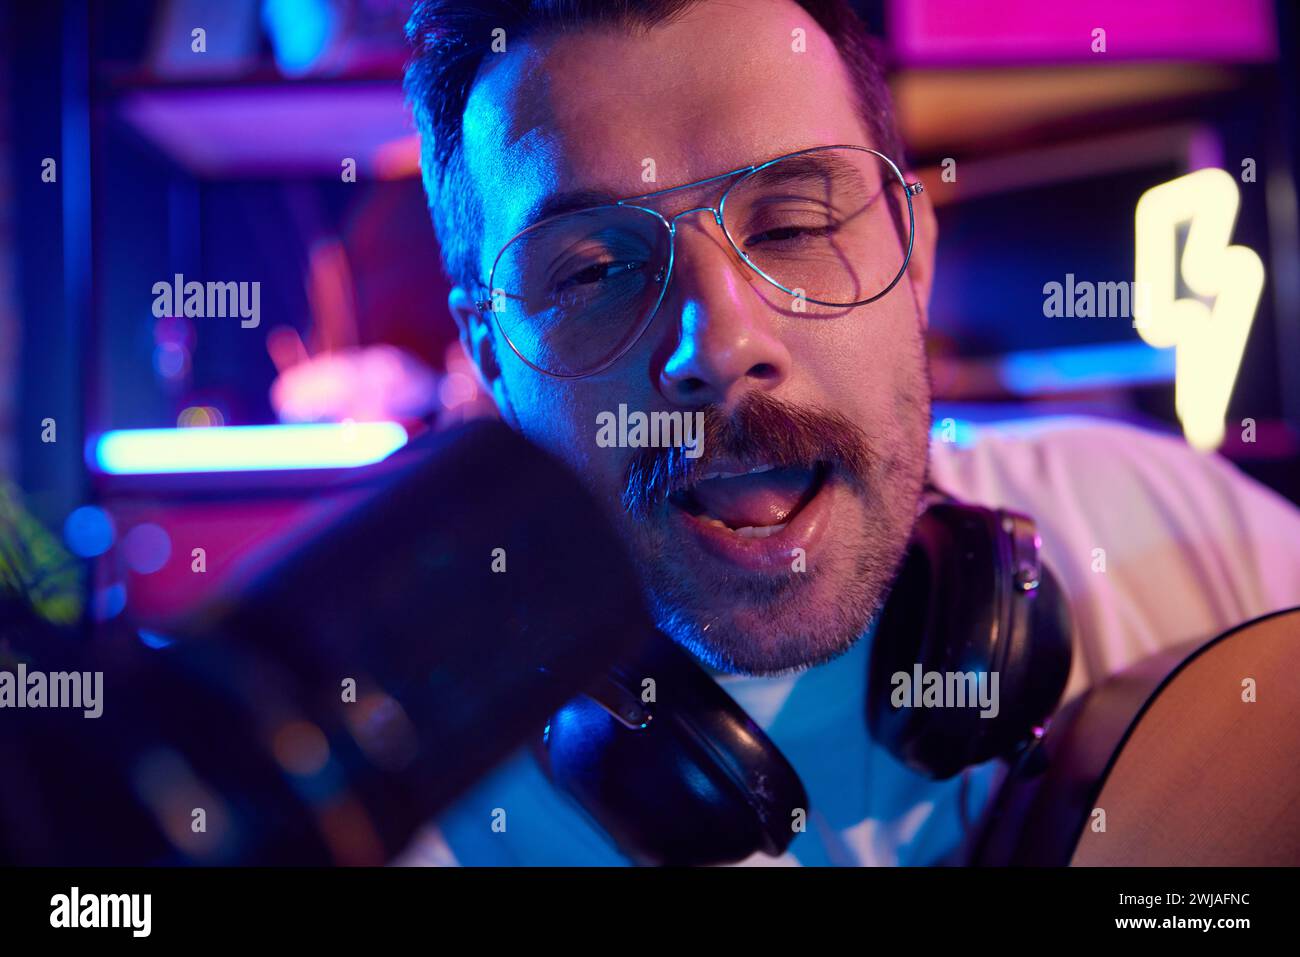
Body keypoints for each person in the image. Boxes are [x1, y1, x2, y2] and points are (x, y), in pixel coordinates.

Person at [395, 0, 1300, 865]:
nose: (720, 343)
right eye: (594, 272)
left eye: (792, 223)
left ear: (913, 252)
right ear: (490, 356)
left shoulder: (1185, 531)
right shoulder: (431, 819)